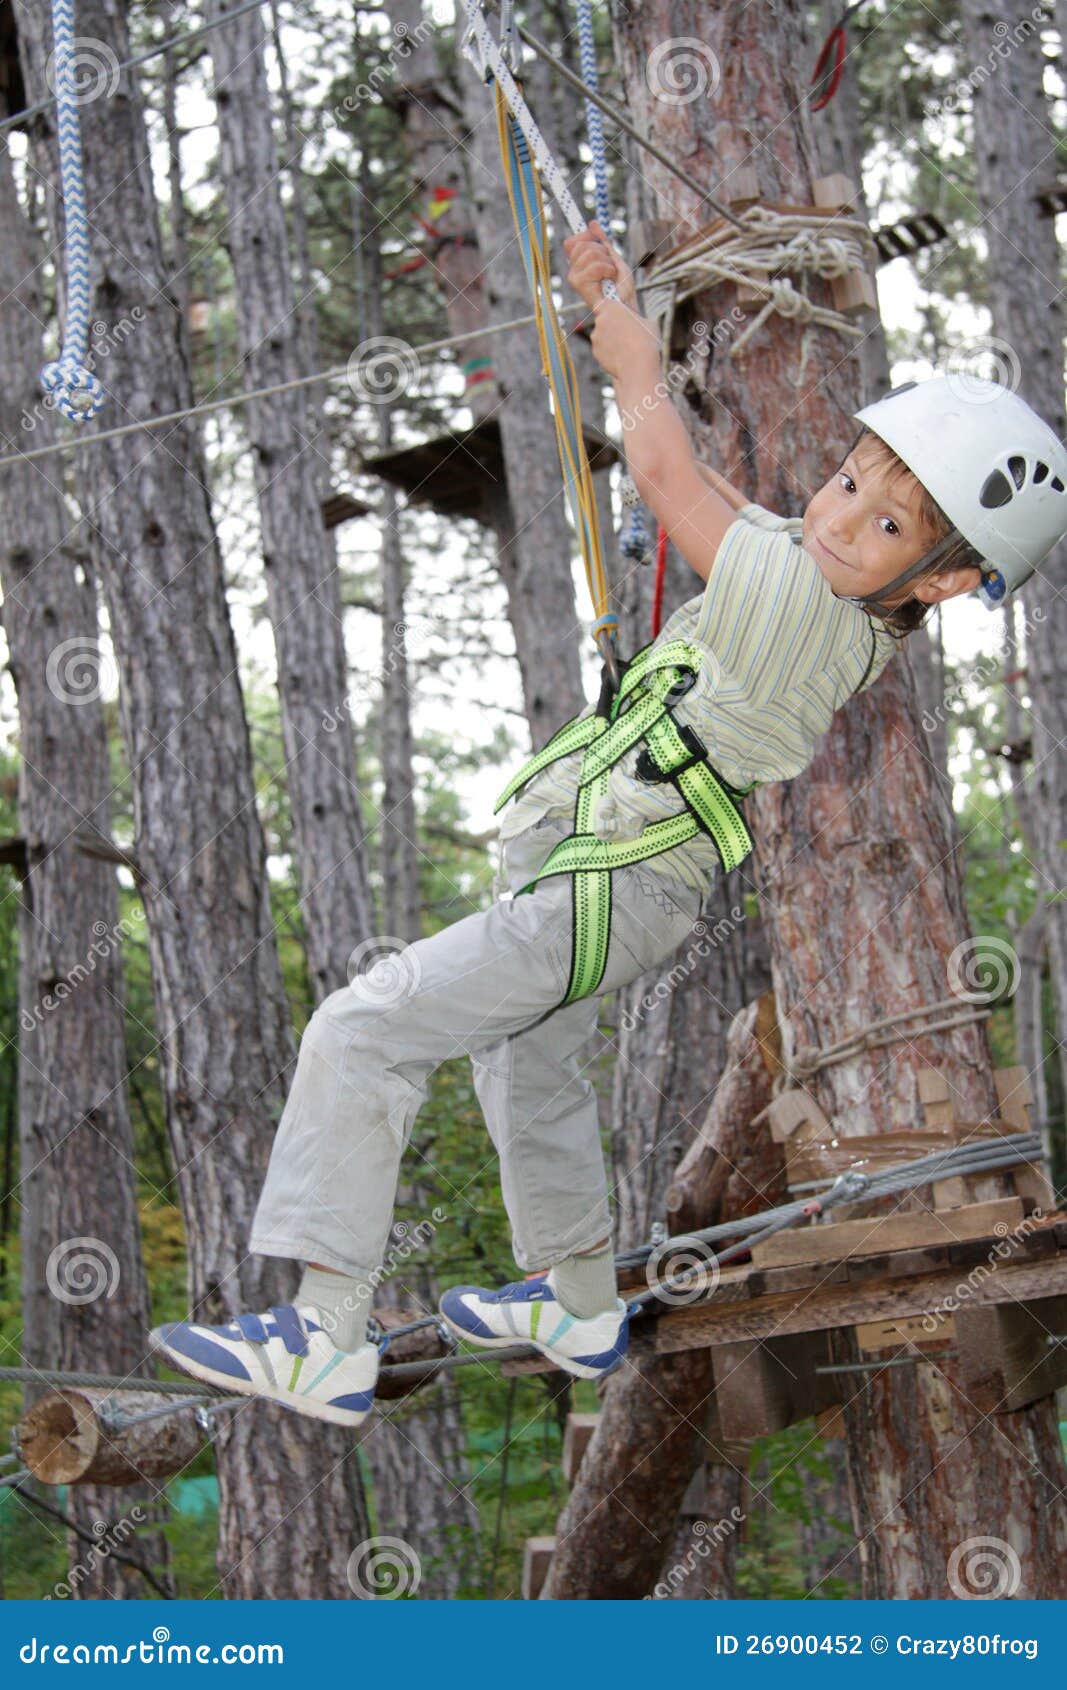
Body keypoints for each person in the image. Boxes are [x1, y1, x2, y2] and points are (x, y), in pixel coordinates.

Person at [149, 225, 1067, 1427]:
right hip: (613, 876)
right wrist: (614, 305)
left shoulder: (800, 609)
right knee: (528, 1058)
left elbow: (675, 485)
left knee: (364, 1027)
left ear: (938, 583)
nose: (843, 520)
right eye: (850, 481)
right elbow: (749, 509)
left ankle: (325, 1330)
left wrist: (632, 367)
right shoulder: (819, 584)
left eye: (889, 528)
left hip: (613, 882)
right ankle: (574, 1296)